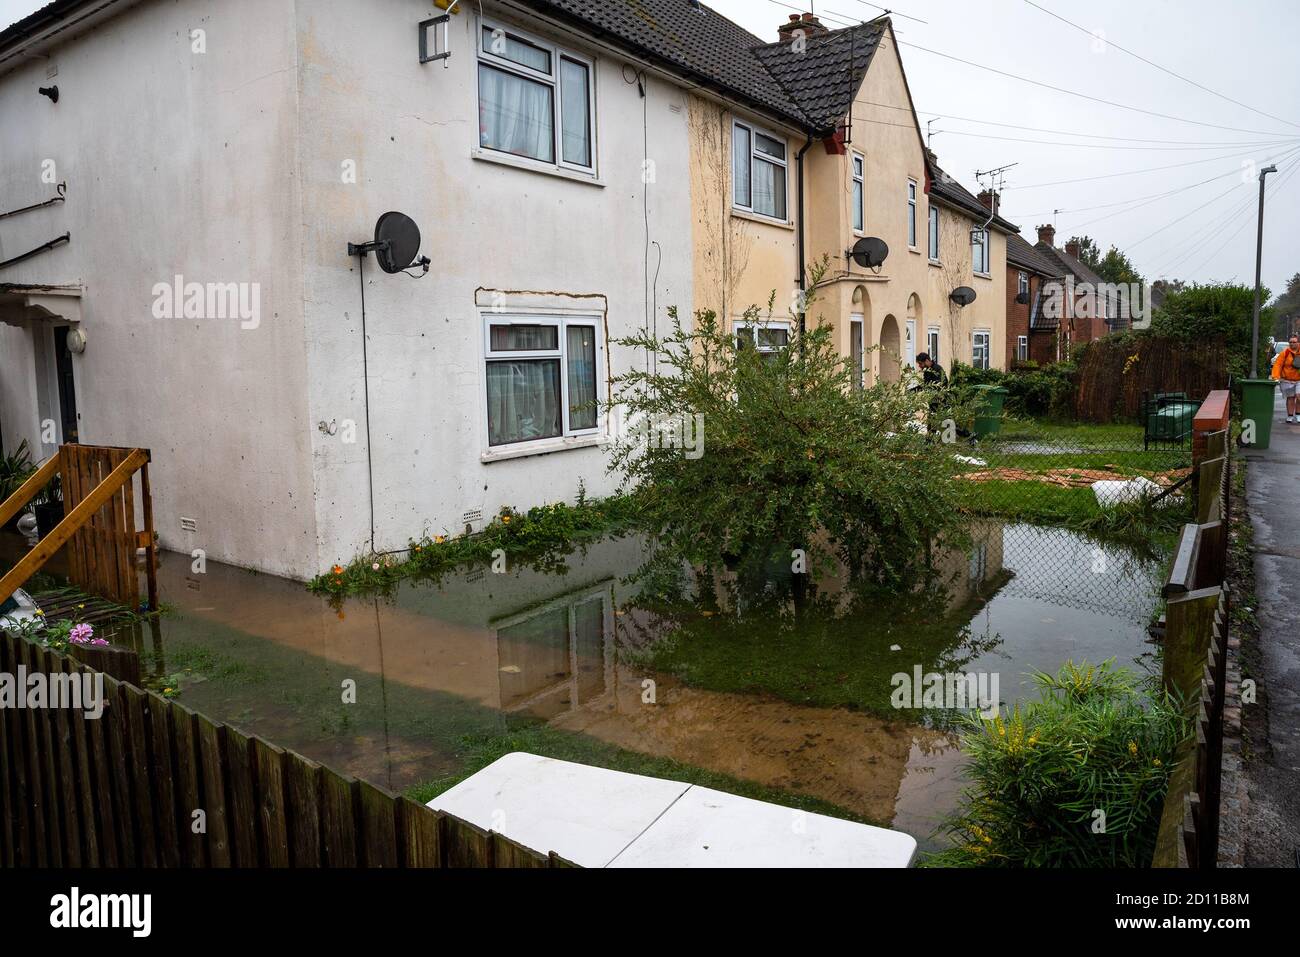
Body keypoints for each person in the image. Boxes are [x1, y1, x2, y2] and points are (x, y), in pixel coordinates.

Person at [1271, 335, 1300, 423]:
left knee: (1299, 397)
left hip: (1299, 380)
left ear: (1298, 343)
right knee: (1291, 398)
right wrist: (1275, 377)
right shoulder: (1285, 353)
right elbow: (1278, 365)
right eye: (1290, 342)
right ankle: (1290, 416)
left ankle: (1298, 415)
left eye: (1294, 342)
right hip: (1287, 379)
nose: (1292, 344)